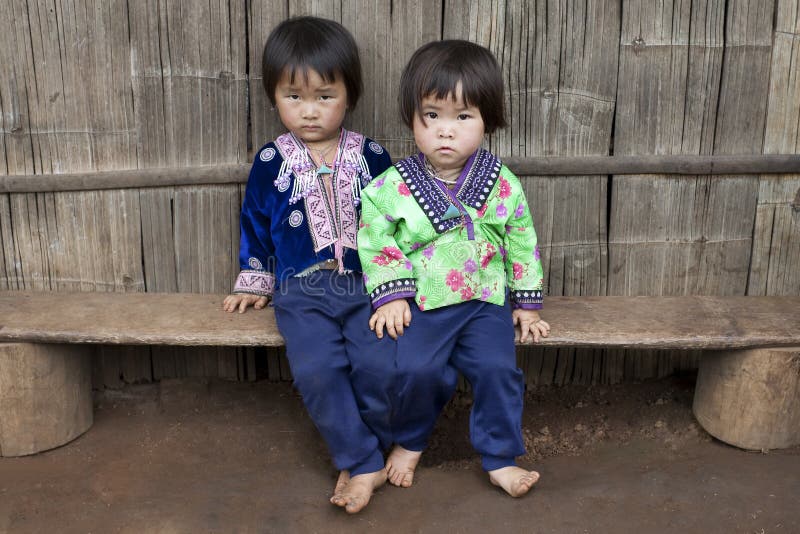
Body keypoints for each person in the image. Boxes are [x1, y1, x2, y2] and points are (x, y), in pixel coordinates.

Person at [357, 39, 551, 497]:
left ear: (488, 121)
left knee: (498, 370)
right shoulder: (390, 188)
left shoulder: (502, 183)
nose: (446, 131)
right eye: (432, 115)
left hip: (485, 301)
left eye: (463, 117)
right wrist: (392, 294)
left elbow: (521, 241)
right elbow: (375, 241)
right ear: (413, 118)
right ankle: (410, 441)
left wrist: (527, 304)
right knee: (416, 371)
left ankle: (500, 456)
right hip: (424, 301)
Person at [223, 16, 395, 514]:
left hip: (367, 286)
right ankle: (361, 460)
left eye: (324, 95)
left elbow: (398, 224)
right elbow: (255, 220)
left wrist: (401, 285)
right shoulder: (271, 160)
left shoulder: (373, 156)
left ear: (350, 94)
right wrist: (255, 278)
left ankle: (368, 449)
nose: (309, 111)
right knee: (319, 370)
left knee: (381, 365)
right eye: (293, 97)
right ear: (273, 97)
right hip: (300, 291)